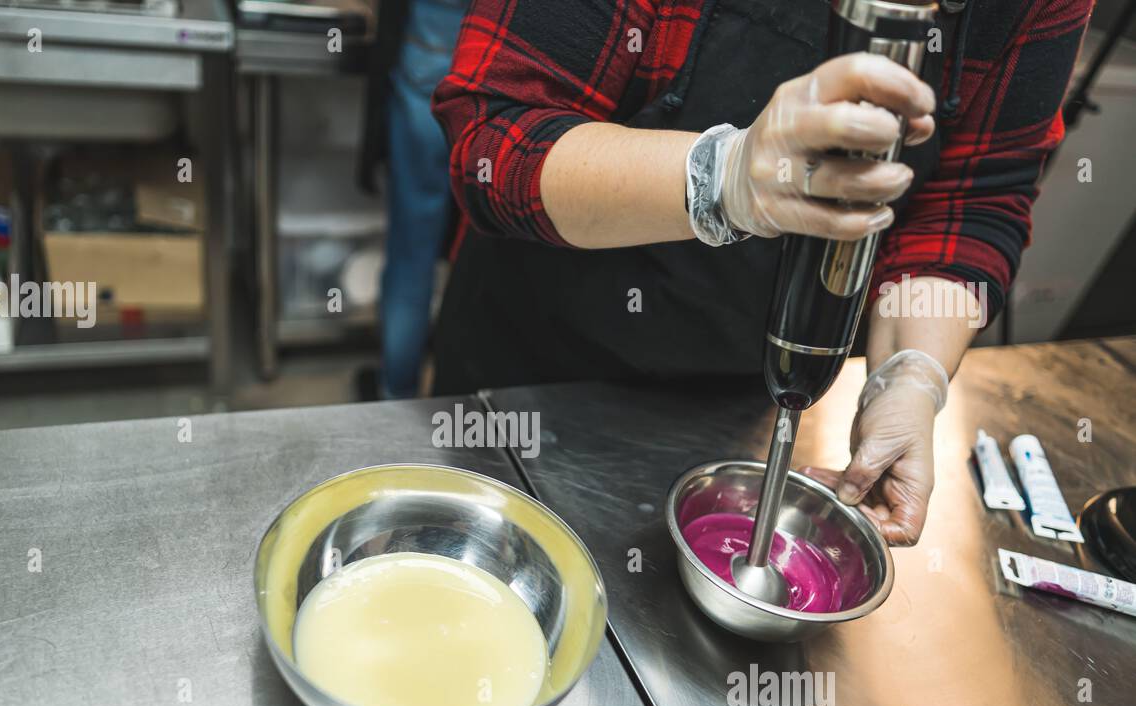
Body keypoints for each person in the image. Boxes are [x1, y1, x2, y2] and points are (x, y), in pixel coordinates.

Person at [430, 0, 1093, 545]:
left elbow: (972, 201)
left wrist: (910, 375)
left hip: (737, 404)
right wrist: (722, 179)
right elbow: (495, 138)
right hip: (524, 374)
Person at [360, 0, 472, 399]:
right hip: (499, 65)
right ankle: (468, 403)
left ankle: (397, 396)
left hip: (428, 52)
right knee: (483, 250)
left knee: (412, 254)